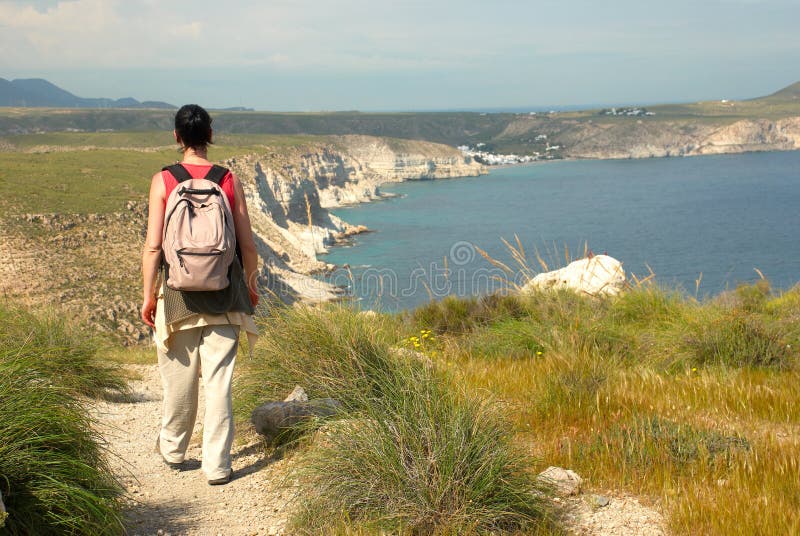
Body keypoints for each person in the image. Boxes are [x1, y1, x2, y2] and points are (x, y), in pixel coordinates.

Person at [141, 104, 260, 485]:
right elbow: (247, 244)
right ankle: (218, 466)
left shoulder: (163, 180)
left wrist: (149, 296)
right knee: (219, 382)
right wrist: (252, 287)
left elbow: (153, 248)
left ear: (177, 137)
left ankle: (174, 450)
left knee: (178, 379)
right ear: (210, 135)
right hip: (224, 295)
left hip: (177, 298)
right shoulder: (228, 179)